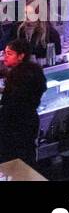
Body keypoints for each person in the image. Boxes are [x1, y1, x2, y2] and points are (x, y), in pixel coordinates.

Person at [0, 38, 46, 167]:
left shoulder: (18, 76)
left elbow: (14, 102)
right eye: (4, 53)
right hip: (30, 121)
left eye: (9, 54)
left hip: (15, 126)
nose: (5, 58)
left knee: (13, 162)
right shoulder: (34, 71)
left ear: (21, 56)